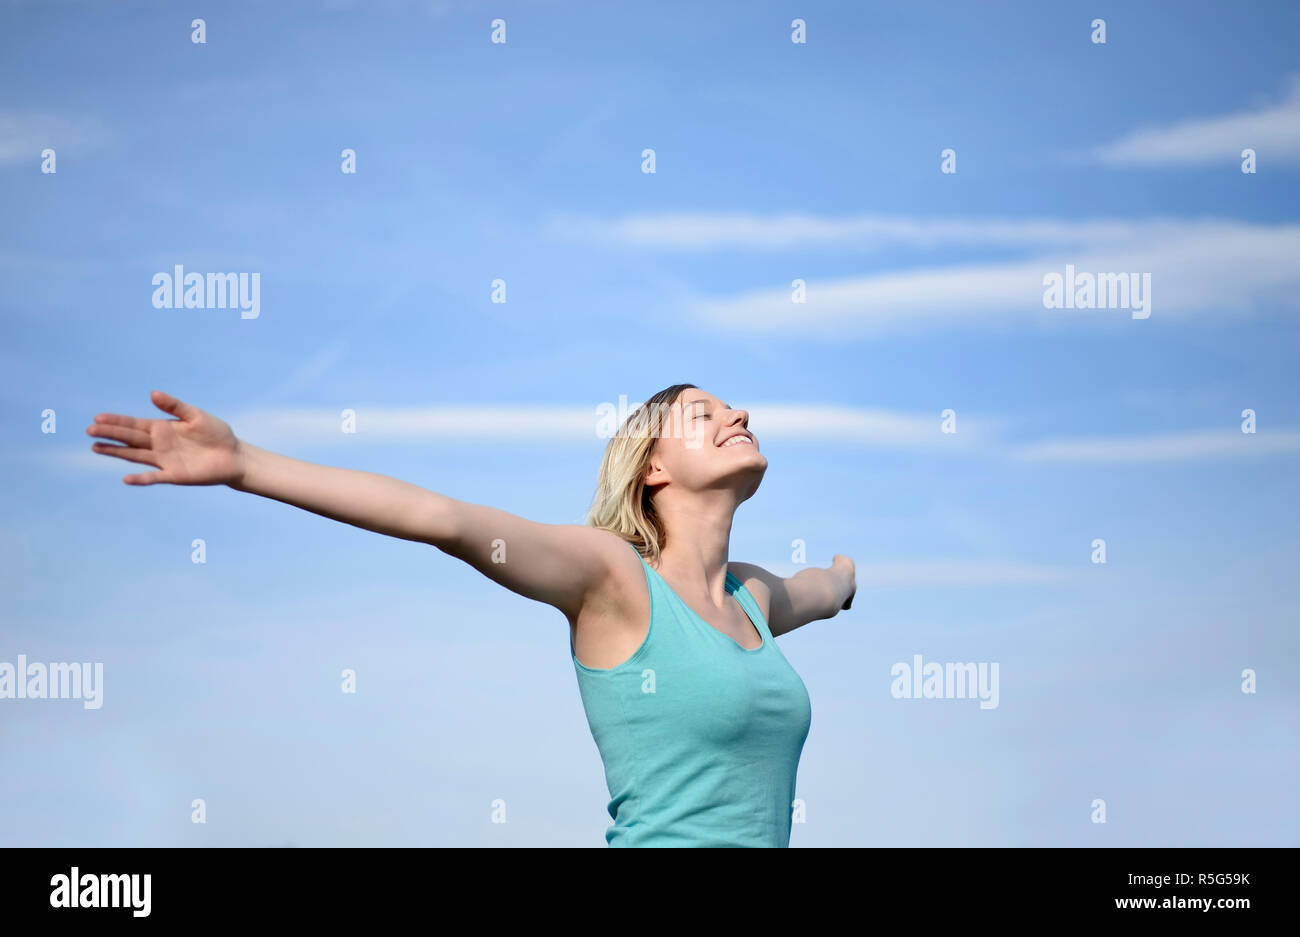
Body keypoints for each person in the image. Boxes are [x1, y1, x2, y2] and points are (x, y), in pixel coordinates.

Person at [88, 383, 856, 846]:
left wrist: (846, 578)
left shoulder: (756, 602)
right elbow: (443, 518)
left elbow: (824, 587)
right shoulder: (613, 578)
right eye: (703, 412)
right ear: (652, 466)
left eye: (734, 406)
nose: (737, 412)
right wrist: (247, 464)